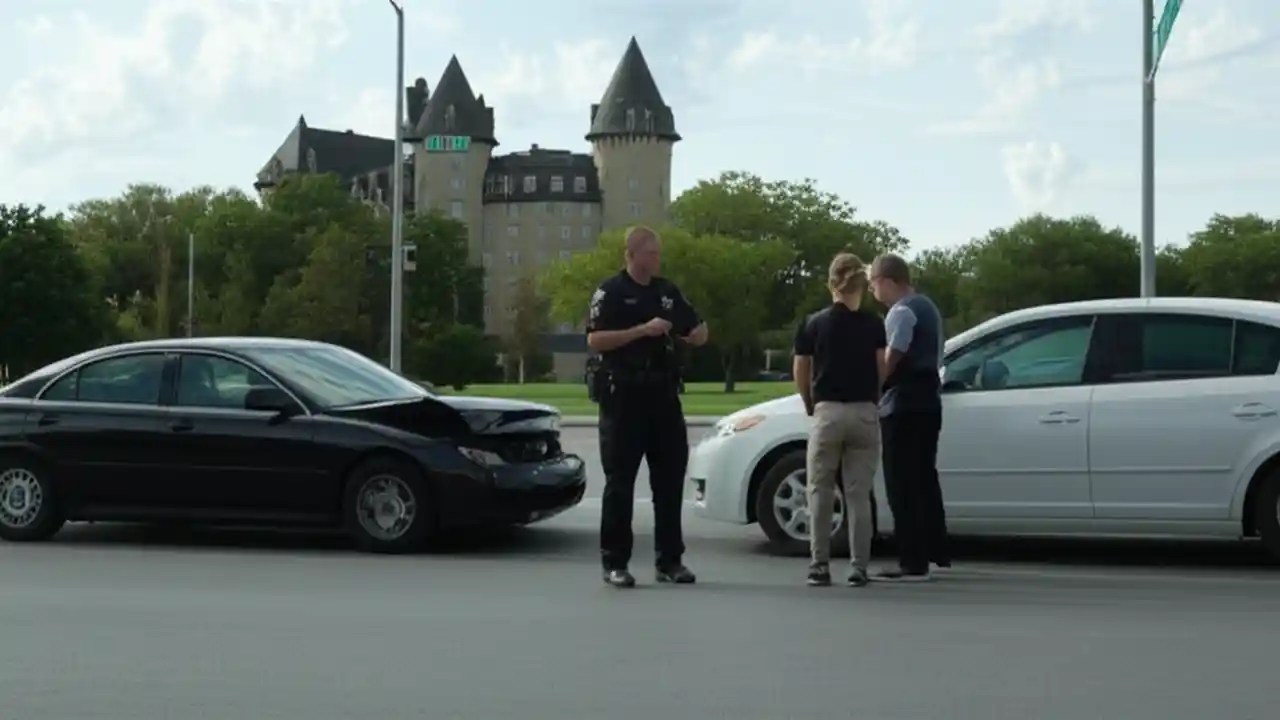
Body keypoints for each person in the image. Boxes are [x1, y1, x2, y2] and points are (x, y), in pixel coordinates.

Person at [586, 225, 709, 588]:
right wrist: (641, 330)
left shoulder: (667, 292)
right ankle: (615, 562)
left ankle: (670, 560)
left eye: (658, 253)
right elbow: (595, 339)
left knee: (669, 482)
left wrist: (697, 334)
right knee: (620, 484)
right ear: (632, 254)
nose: (657, 259)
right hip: (623, 396)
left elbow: (697, 328)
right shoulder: (611, 292)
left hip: (663, 396)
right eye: (651, 253)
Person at [792, 253, 886, 588]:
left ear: (830, 282)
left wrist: (809, 402)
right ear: (861, 285)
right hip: (863, 410)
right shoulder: (874, 325)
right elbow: (881, 368)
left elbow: (801, 369)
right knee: (859, 494)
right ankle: (859, 566)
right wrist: (873, 398)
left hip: (828, 410)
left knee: (820, 489)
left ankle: (819, 565)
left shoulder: (814, 323)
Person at [868, 253, 950, 582]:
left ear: (887, 281)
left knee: (901, 482)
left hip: (903, 405)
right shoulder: (927, 306)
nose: (874, 291)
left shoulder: (900, 313)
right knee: (924, 479)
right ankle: (933, 551)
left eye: (874, 283)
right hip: (929, 402)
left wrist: (871, 387)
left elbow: (891, 359)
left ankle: (912, 561)